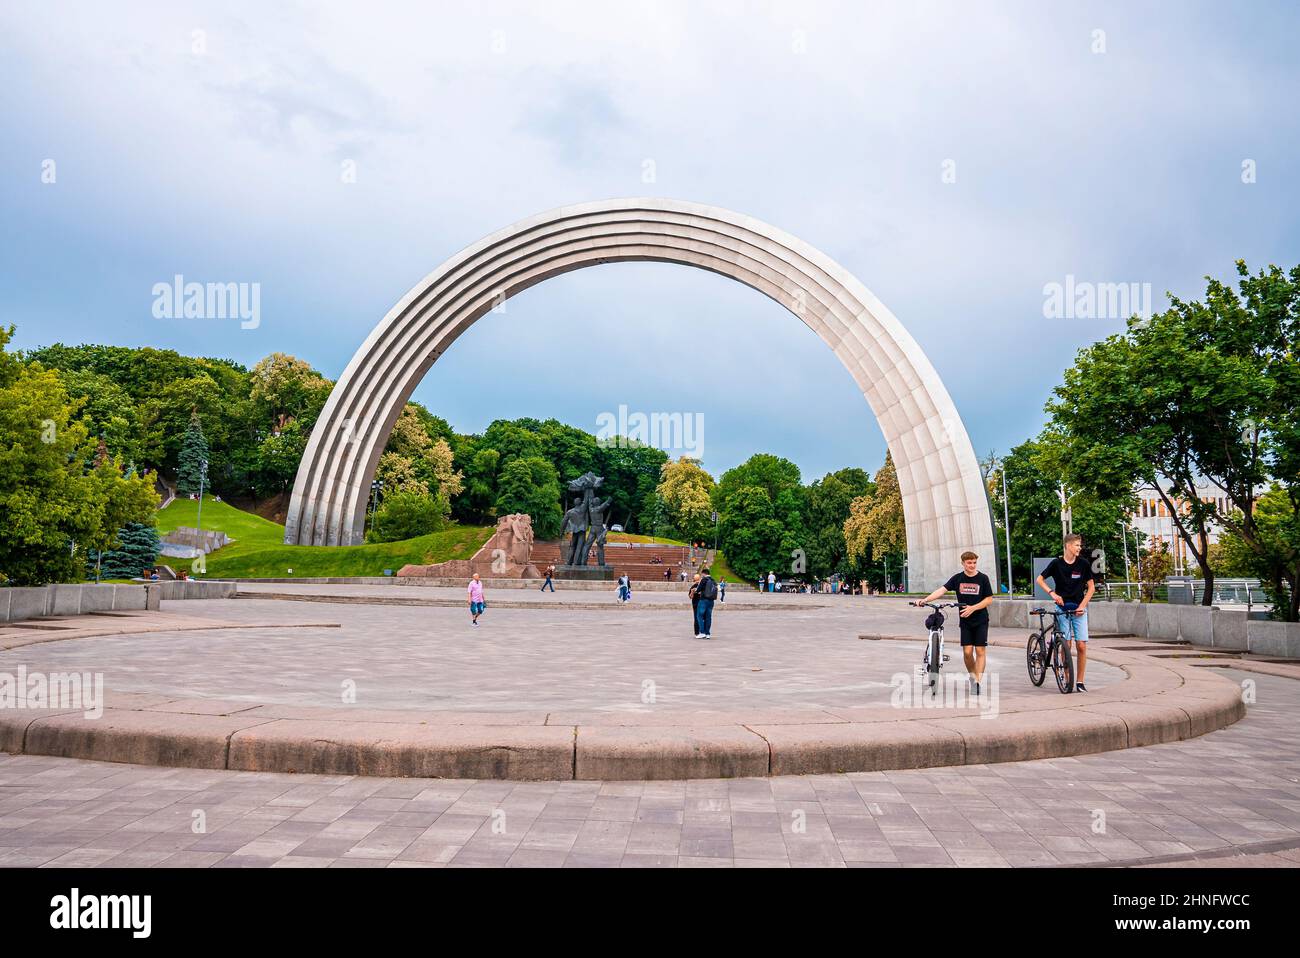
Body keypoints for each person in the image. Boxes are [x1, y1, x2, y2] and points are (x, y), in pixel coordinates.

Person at [914, 550, 994, 695]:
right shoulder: (958, 579)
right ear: (963, 563)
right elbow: (941, 591)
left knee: (980, 651)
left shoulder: (983, 578)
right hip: (965, 621)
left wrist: (973, 608)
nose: (972, 565)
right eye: (969, 563)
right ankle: (972, 676)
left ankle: (977, 682)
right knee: (968, 652)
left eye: (974, 562)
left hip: (981, 619)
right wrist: (925, 600)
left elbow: (988, 599)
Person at [1036, 533, 1095, 691]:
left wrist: (1082, 605)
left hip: (1079, 608)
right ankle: (1068, 680)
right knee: (1066, 644)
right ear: (1068, 546)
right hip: (1062, 608)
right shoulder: (1056, 564)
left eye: (1079, 545)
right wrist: (1052, 594)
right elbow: (1039, 579)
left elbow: (1091, 587)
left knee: (1081, 645)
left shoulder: (1083, 564)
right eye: (1077, 545)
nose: (1079, 548)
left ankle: (1080, 682)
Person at [694, 566, 718, 639]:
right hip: (711, 601)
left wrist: (695, 590)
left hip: (703, 600)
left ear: (703, 574)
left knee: (699, 615)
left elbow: (698, 590)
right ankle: (708, 634)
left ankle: (702, 632)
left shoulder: (704, 579)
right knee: (708, 617)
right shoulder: (713, 580)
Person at [688, 572, 702, 636]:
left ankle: (697, 633)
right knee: (702, 618)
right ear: (700, 579)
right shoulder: (702, 586)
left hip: (695, 604)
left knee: (696, 618)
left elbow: (690, 597)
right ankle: (702, 631)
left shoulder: (693, 586)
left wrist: (692, 593)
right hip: (701, 604)